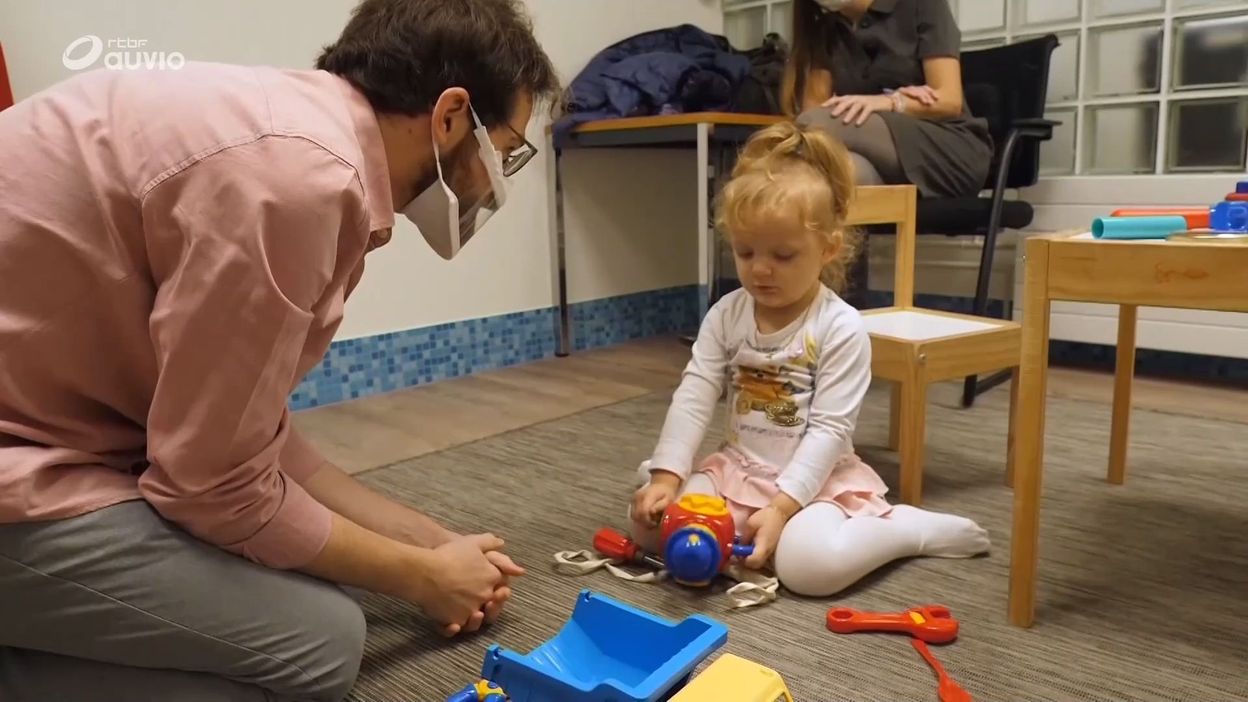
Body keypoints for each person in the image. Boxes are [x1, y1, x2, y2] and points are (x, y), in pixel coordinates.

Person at [0, 0, 558, 700]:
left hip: (48, 429)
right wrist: (422, 578)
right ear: (451, 116)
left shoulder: (289, 136)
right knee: (319, 643)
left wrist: (424, 539)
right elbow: (211, 487)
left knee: (300, 568)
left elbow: (245, 436)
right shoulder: (300, 185)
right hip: (25, 468)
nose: (498, 176)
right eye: (506, 150)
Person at [630, 122, 990, 598]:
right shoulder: (726, 314)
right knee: (649, 528)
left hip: (814, 483)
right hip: (738, 468)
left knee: (807, 570)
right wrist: (667, 475)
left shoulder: (839, 327)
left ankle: (905, 530)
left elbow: (829, 429)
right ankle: (718, 515)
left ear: (828, 249)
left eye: (783, 255)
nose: (760, 268)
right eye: (745, 251)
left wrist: (782, 508)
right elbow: (694, 395)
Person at [783, 0, 993, 199]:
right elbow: (815, 111)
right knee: (818, 178)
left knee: (813, 127)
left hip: (948, 151)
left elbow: (949, 101)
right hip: (884, 165)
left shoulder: (920, 4)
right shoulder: (825, 29)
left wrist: (891, 102)